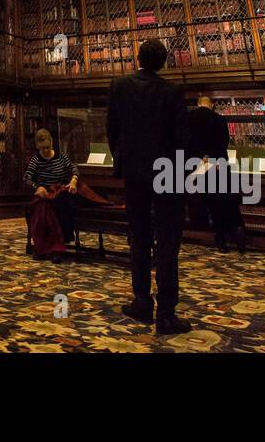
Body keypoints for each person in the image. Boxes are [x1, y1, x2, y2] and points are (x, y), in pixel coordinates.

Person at [107, 39, 192, 335]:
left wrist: (123, 160)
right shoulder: (172, 91)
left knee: (139, 238)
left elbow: (112, 130)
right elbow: (182, 138)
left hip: (134, 172)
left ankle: (142, 301)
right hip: (167, 173)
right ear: (163, 63)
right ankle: (166, 313)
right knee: (168, 242)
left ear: (138, 58)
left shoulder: (119, 86)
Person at [187, 96, 246, 253]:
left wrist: (202, 156)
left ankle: (217, 236)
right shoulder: (220, 119)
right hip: (219, 164)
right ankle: (233, 230)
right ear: (211, 105)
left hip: (199, 165)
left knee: (208, 201)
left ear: (198, 104)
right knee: (224, 199)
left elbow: (188, 141)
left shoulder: (189, 118)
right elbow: (224, 142)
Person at [23, 128, 79, 260]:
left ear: (51, 143)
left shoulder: (61, 156)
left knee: (60, 204)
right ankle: (52, 248)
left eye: (47, 147)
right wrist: (38, 187)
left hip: (60, 191)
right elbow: (26, 177)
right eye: (42, 148)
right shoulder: (36, 160)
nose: (46, 151)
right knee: (45, 210)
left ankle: (55, 247)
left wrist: (74, 180)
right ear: (37, 146)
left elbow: (74, 168)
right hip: (45, 193)